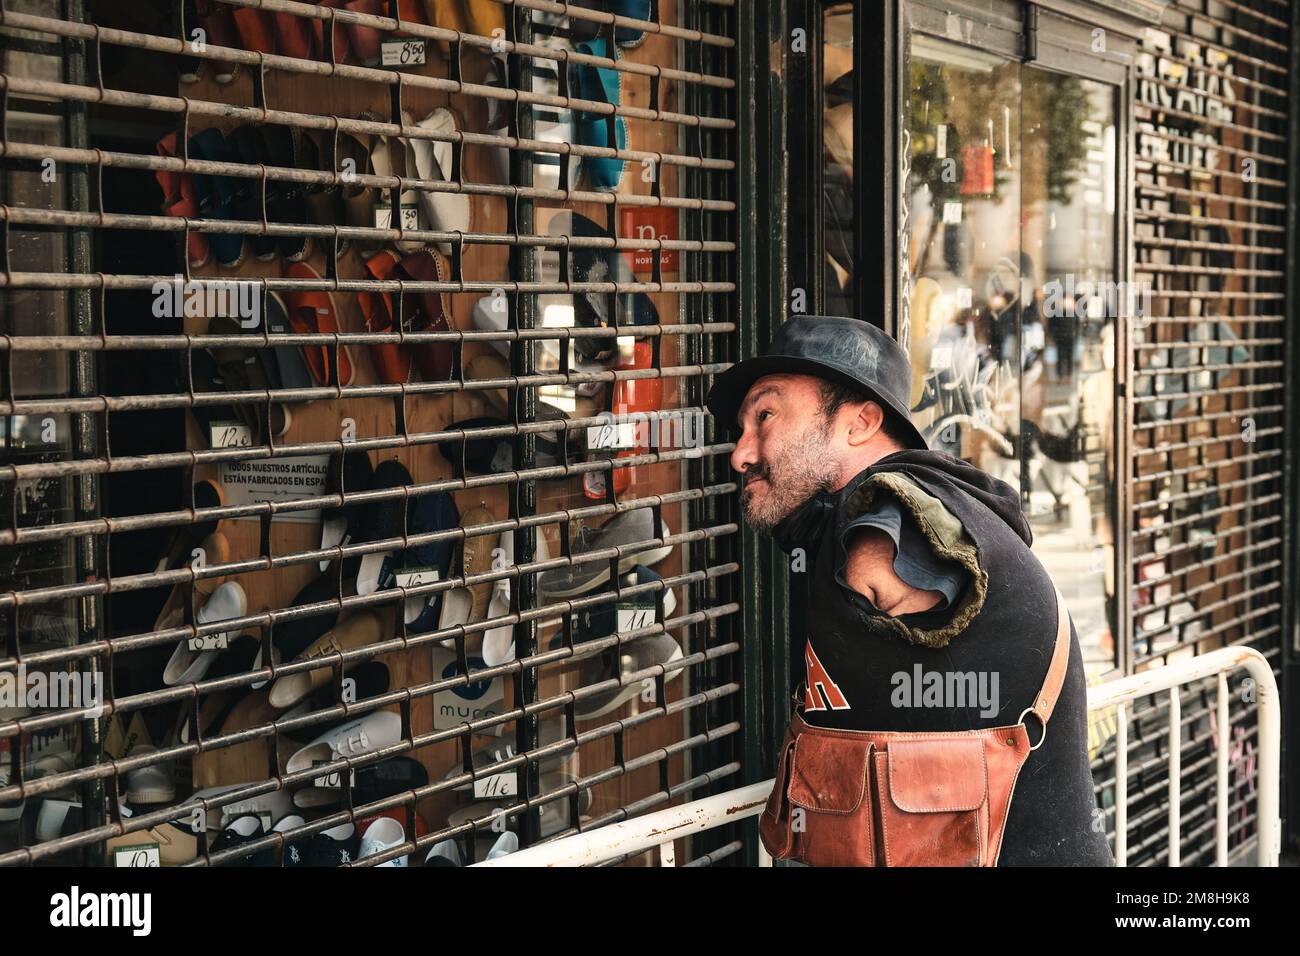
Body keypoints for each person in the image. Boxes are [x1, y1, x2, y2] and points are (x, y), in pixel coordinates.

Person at [707, 315, 1113, 866]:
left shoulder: (892, 517)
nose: (742, 452)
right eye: (742, 427)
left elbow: (903, 538)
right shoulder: (947, 500)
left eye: (766, 416)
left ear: (860, 423)